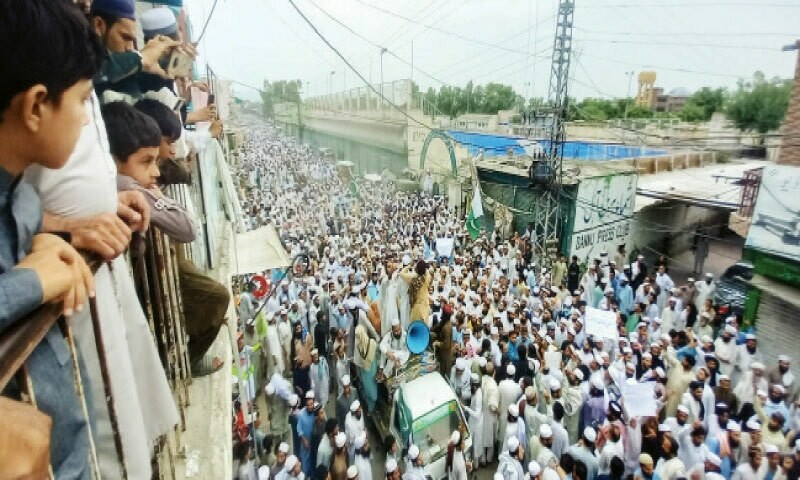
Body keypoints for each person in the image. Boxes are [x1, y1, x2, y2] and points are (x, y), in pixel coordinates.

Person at [0, 1, 103, 476]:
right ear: (38, 104)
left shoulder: (22, 200)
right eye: (83, 99)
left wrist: (45, 239)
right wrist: (29, 284)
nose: (86, 119)